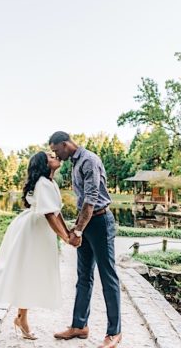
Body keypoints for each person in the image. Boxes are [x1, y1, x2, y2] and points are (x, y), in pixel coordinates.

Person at [0, 151, 73, 340]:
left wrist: (67, 233)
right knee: (16, 270)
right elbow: (50, 215)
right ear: (43, 164)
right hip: (33, 232)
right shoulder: (42, 183)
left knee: (28, 273)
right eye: (50, 156)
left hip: (40, 232)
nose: (56, 157)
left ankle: (21, 318)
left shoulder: (51, 183)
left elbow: (57, 213)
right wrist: (66, 238)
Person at [49, 131, 122, 348]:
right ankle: (79, 325)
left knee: (108, 277)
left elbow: (91, 199)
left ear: (65, 144)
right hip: (87, 221)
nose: (55, 154)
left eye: (55, 150)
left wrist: (78, 230)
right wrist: (78, 226)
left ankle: (114, 332)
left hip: (100, 222)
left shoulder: (89, 160)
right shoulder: (74, 161)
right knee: (83, 277)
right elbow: (83, 201)